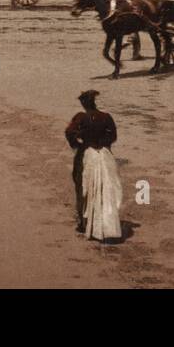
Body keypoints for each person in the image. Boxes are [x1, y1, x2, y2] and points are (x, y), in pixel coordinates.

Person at [64, 90, 122, 242]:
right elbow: (113, 136)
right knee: (105, 187)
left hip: (87, 153)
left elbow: (69, 132)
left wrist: (78, 145)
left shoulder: (81, 117)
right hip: (104, 154)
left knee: (83, 187)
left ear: (84, 103)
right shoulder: (106, 117)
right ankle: (105, 223)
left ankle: (84, 223)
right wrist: (102, 145)